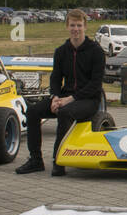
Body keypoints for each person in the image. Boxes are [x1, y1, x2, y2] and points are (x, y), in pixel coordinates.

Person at [16, 9, 106, 176]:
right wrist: (55, 97)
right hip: (65, 96)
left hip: (89, 100)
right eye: (72, 25)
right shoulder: (61, 51)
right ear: (67, 26)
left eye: (79, 25)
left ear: (85, 26)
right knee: (33, 111)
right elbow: (55, 78)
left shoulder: (96, 52)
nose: (75, 29)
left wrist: (69, 99)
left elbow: (95, 84)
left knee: (64, 113)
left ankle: (58, 160)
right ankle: (35, 160)